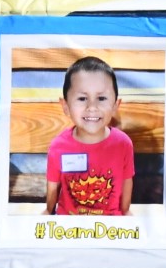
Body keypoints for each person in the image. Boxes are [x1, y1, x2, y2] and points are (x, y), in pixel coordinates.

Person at [45, 56, 135, 217]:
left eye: (101, 98)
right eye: (82, 98)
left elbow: (126, 181)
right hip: (69, 224)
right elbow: (53, 186)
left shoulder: (123, 144)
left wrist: (126, 211)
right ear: (65, 106)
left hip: (111, 226)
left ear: (116, 105)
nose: (92, 107)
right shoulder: (58, 146)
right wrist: (48, 210)